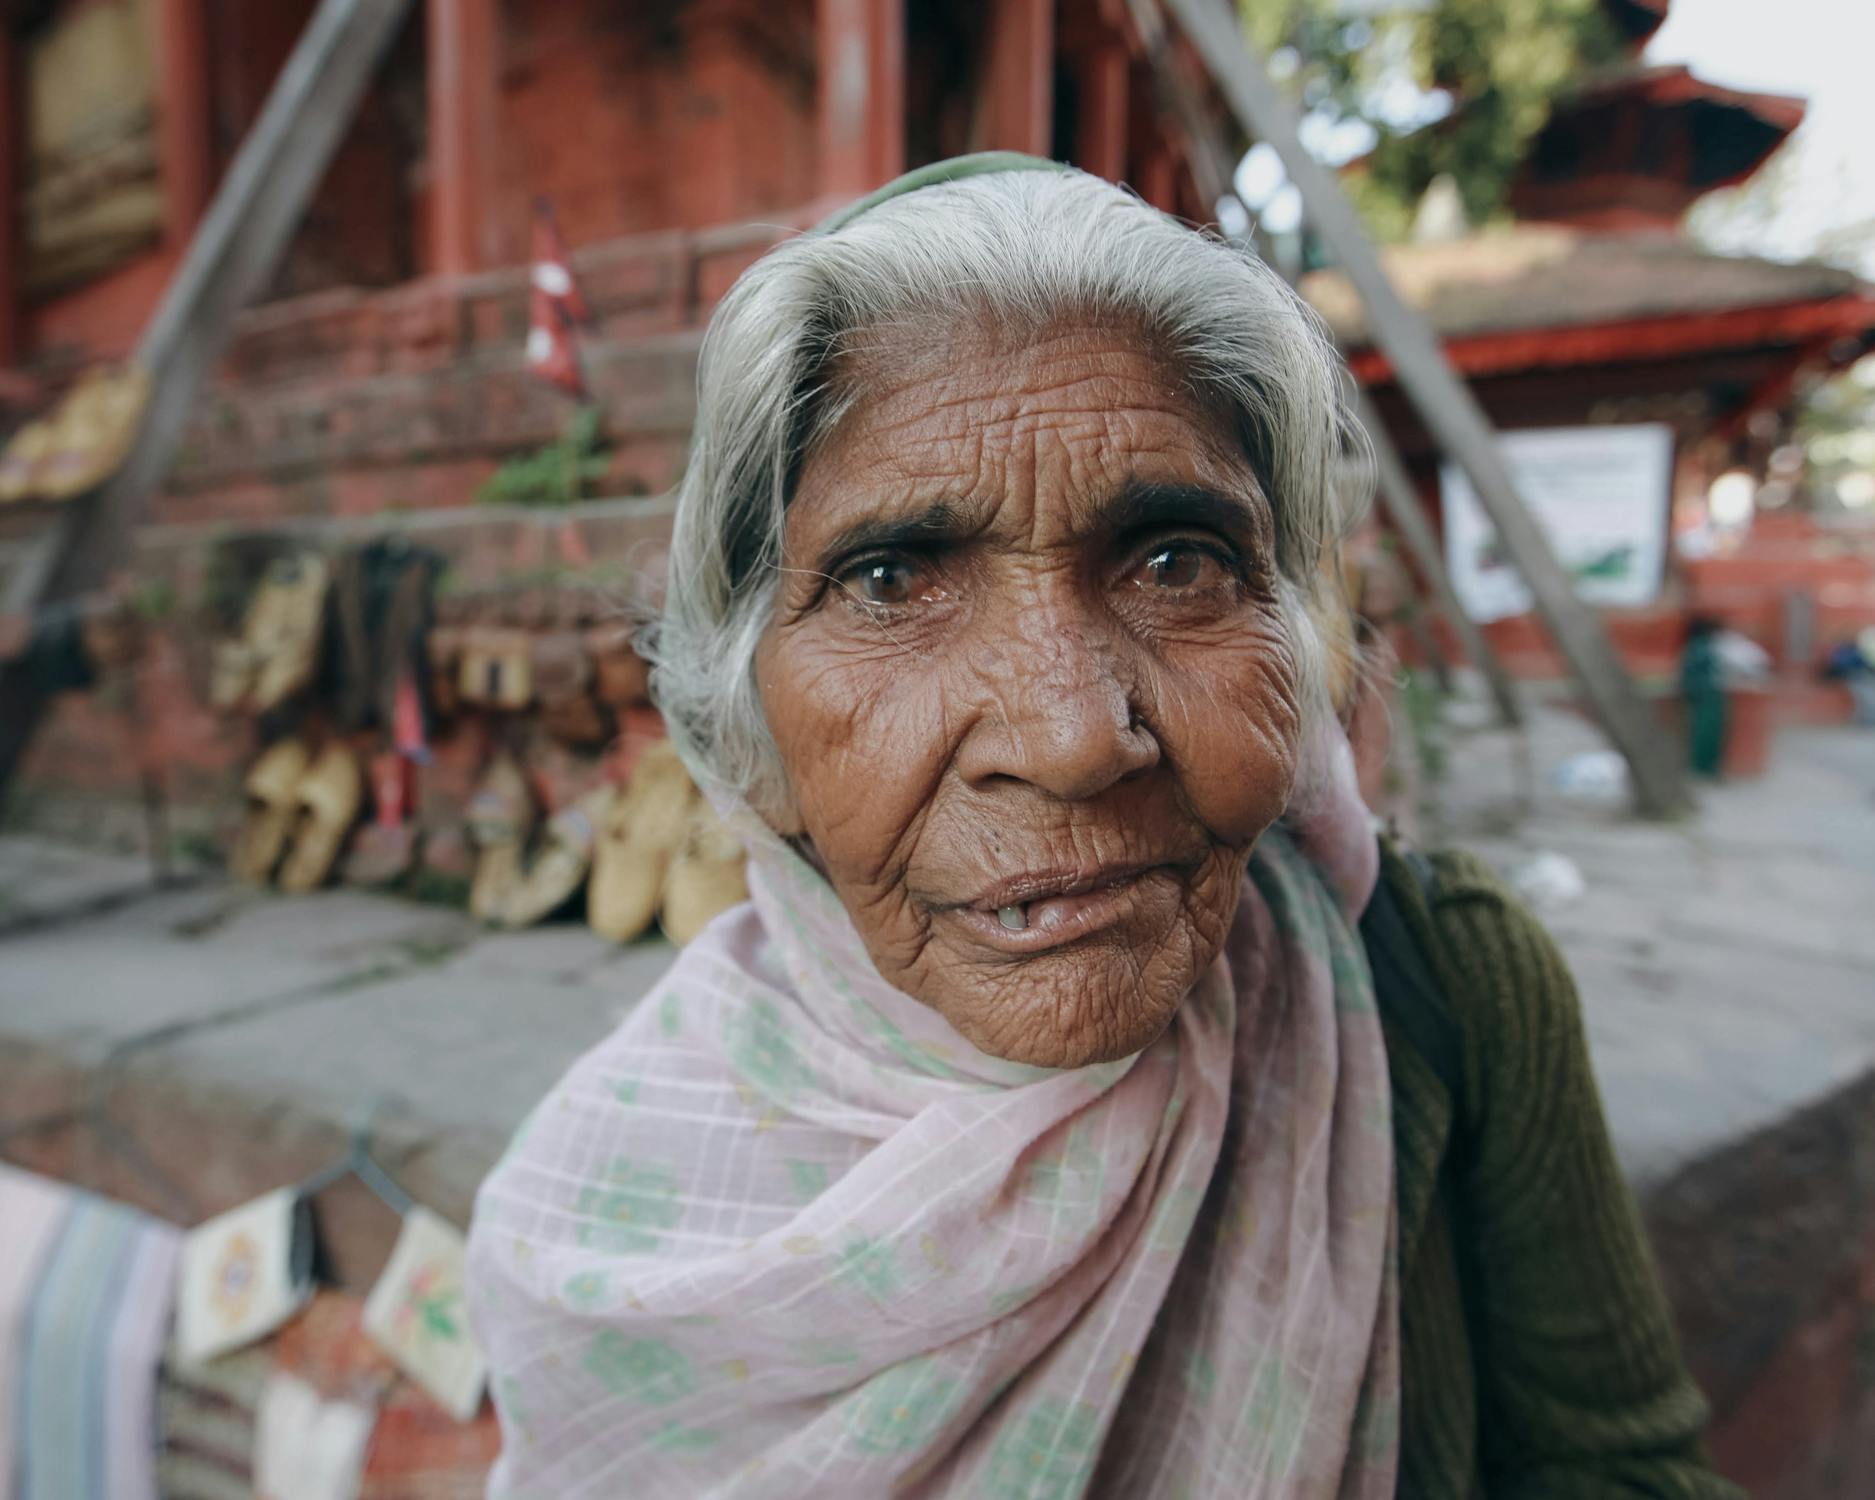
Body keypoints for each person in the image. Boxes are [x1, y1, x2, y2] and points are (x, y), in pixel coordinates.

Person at [467, 156, 1739, 1499]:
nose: (1074, 740)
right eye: (890, 580)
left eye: (1178, 561)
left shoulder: (1451, 984)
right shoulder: (602, 1220)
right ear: (747, 733)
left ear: (1298, 652)